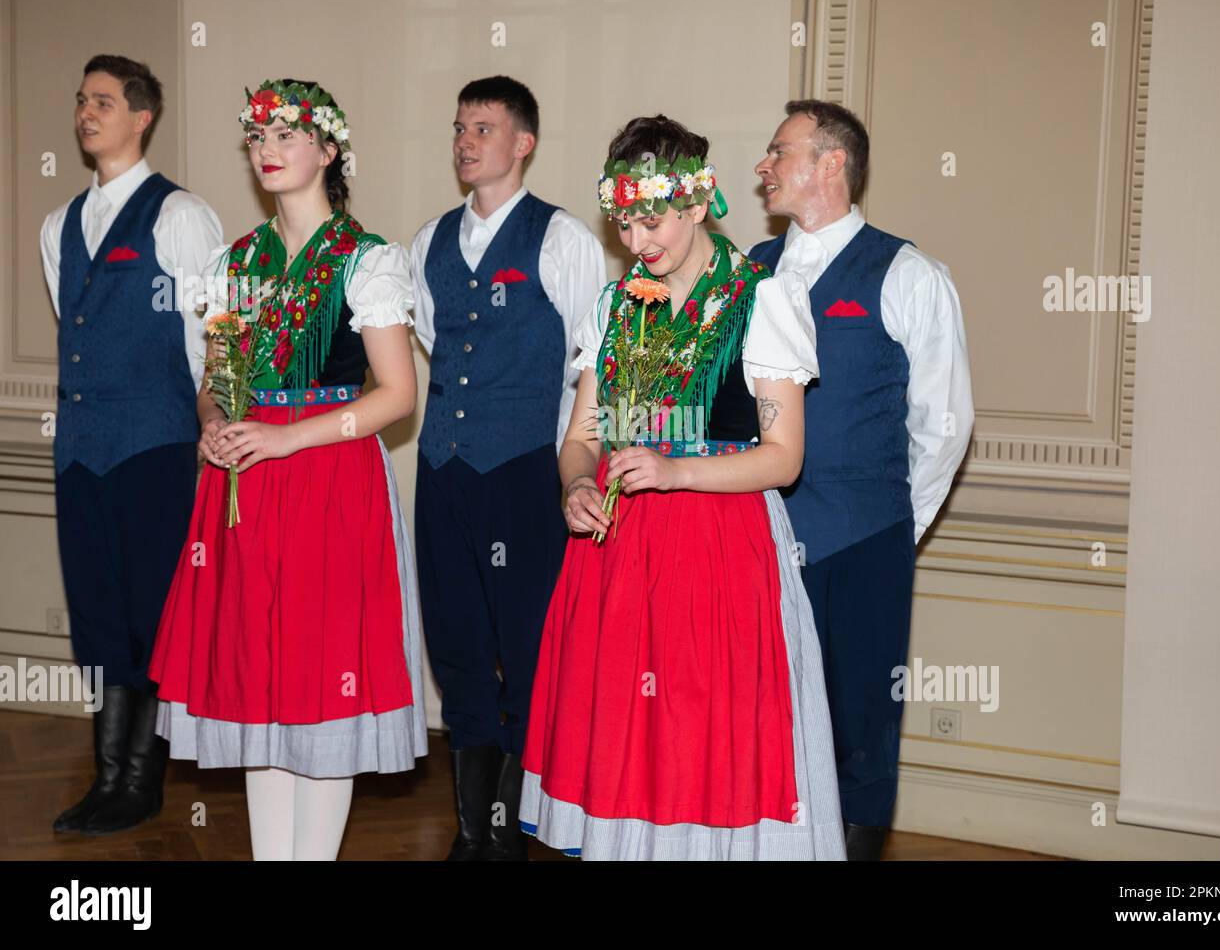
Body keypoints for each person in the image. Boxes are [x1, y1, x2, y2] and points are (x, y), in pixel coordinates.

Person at [519, 114, 845, 860]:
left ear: (699, 203)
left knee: (701, 746)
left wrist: (675, 473)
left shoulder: (762, 300)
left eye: (652, 221)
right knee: (624, 750)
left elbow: (783, 457)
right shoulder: (614, 308)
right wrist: (576, 487)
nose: (636, 242)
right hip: (617, 556)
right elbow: (582, 438)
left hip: (719, 552)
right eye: (624, 224)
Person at [146, 79, 427, 860]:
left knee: (320, 677)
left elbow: (396, 396)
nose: (266, 151)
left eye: (285, 137)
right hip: (242, 487)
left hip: (329, 479)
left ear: (328, 150)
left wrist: (286, 439)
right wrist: (212, 425)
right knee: (258, 683)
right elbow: (213, 379)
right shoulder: (234, 260)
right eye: (258, 139)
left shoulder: (367, 262)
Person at [751, 100, 974, 859]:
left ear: (831, 164)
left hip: (862, 539)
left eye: (780, 151)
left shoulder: (907, 274)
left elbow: (944, 423)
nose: (765, 166)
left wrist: (888, 528)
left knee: (858, 730)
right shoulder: (746, 273)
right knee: (761, 718)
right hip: (756, 542)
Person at [409, 75, 605, 860]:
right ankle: (468, 832)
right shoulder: (425, 243)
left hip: (526, 472)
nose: (465, 140)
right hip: (442, 472)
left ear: (522, 143)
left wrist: (568, 470)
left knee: (526, 652)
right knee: (456, 648)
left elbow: (590, 366)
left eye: (483, 128)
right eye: (459, 126)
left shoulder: (563, 241)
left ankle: (508, 830)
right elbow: (432, 341)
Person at [40, 54, 222, 836]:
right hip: (80, 447)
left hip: (154, 444)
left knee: (152, 611)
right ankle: (108, 774)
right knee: (99, 614)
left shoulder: (181, 215)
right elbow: (75, 328)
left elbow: (211, 340)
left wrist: (198, 423)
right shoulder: (57, 226)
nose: (88, 112)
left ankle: (141, 781)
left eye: (105, 101)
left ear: (141, 117)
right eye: (82, 100)